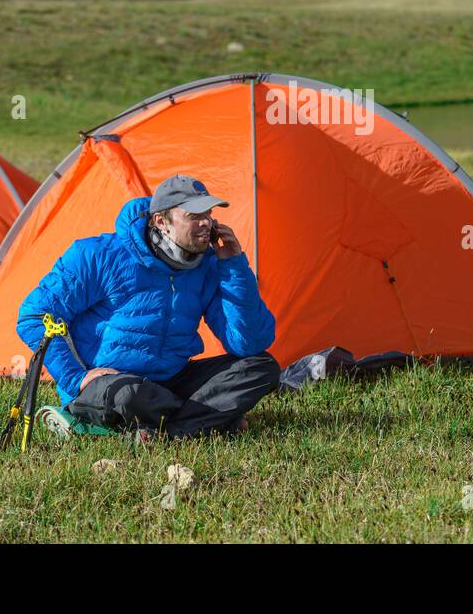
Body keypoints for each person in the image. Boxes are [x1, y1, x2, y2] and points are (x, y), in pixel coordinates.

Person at [16, 174, 278, 442]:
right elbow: (35, 316)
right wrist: (76, 379)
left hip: (171, 379)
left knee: (261, 367)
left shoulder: (208, 265)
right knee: (130, 395)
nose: (206, 224)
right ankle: (208, 420)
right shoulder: (98, 254)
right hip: (110, 382)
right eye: (194, 215)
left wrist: (233, 266)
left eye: (208, 214)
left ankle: (166, 431)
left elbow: (248, 344)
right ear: (161, 222)